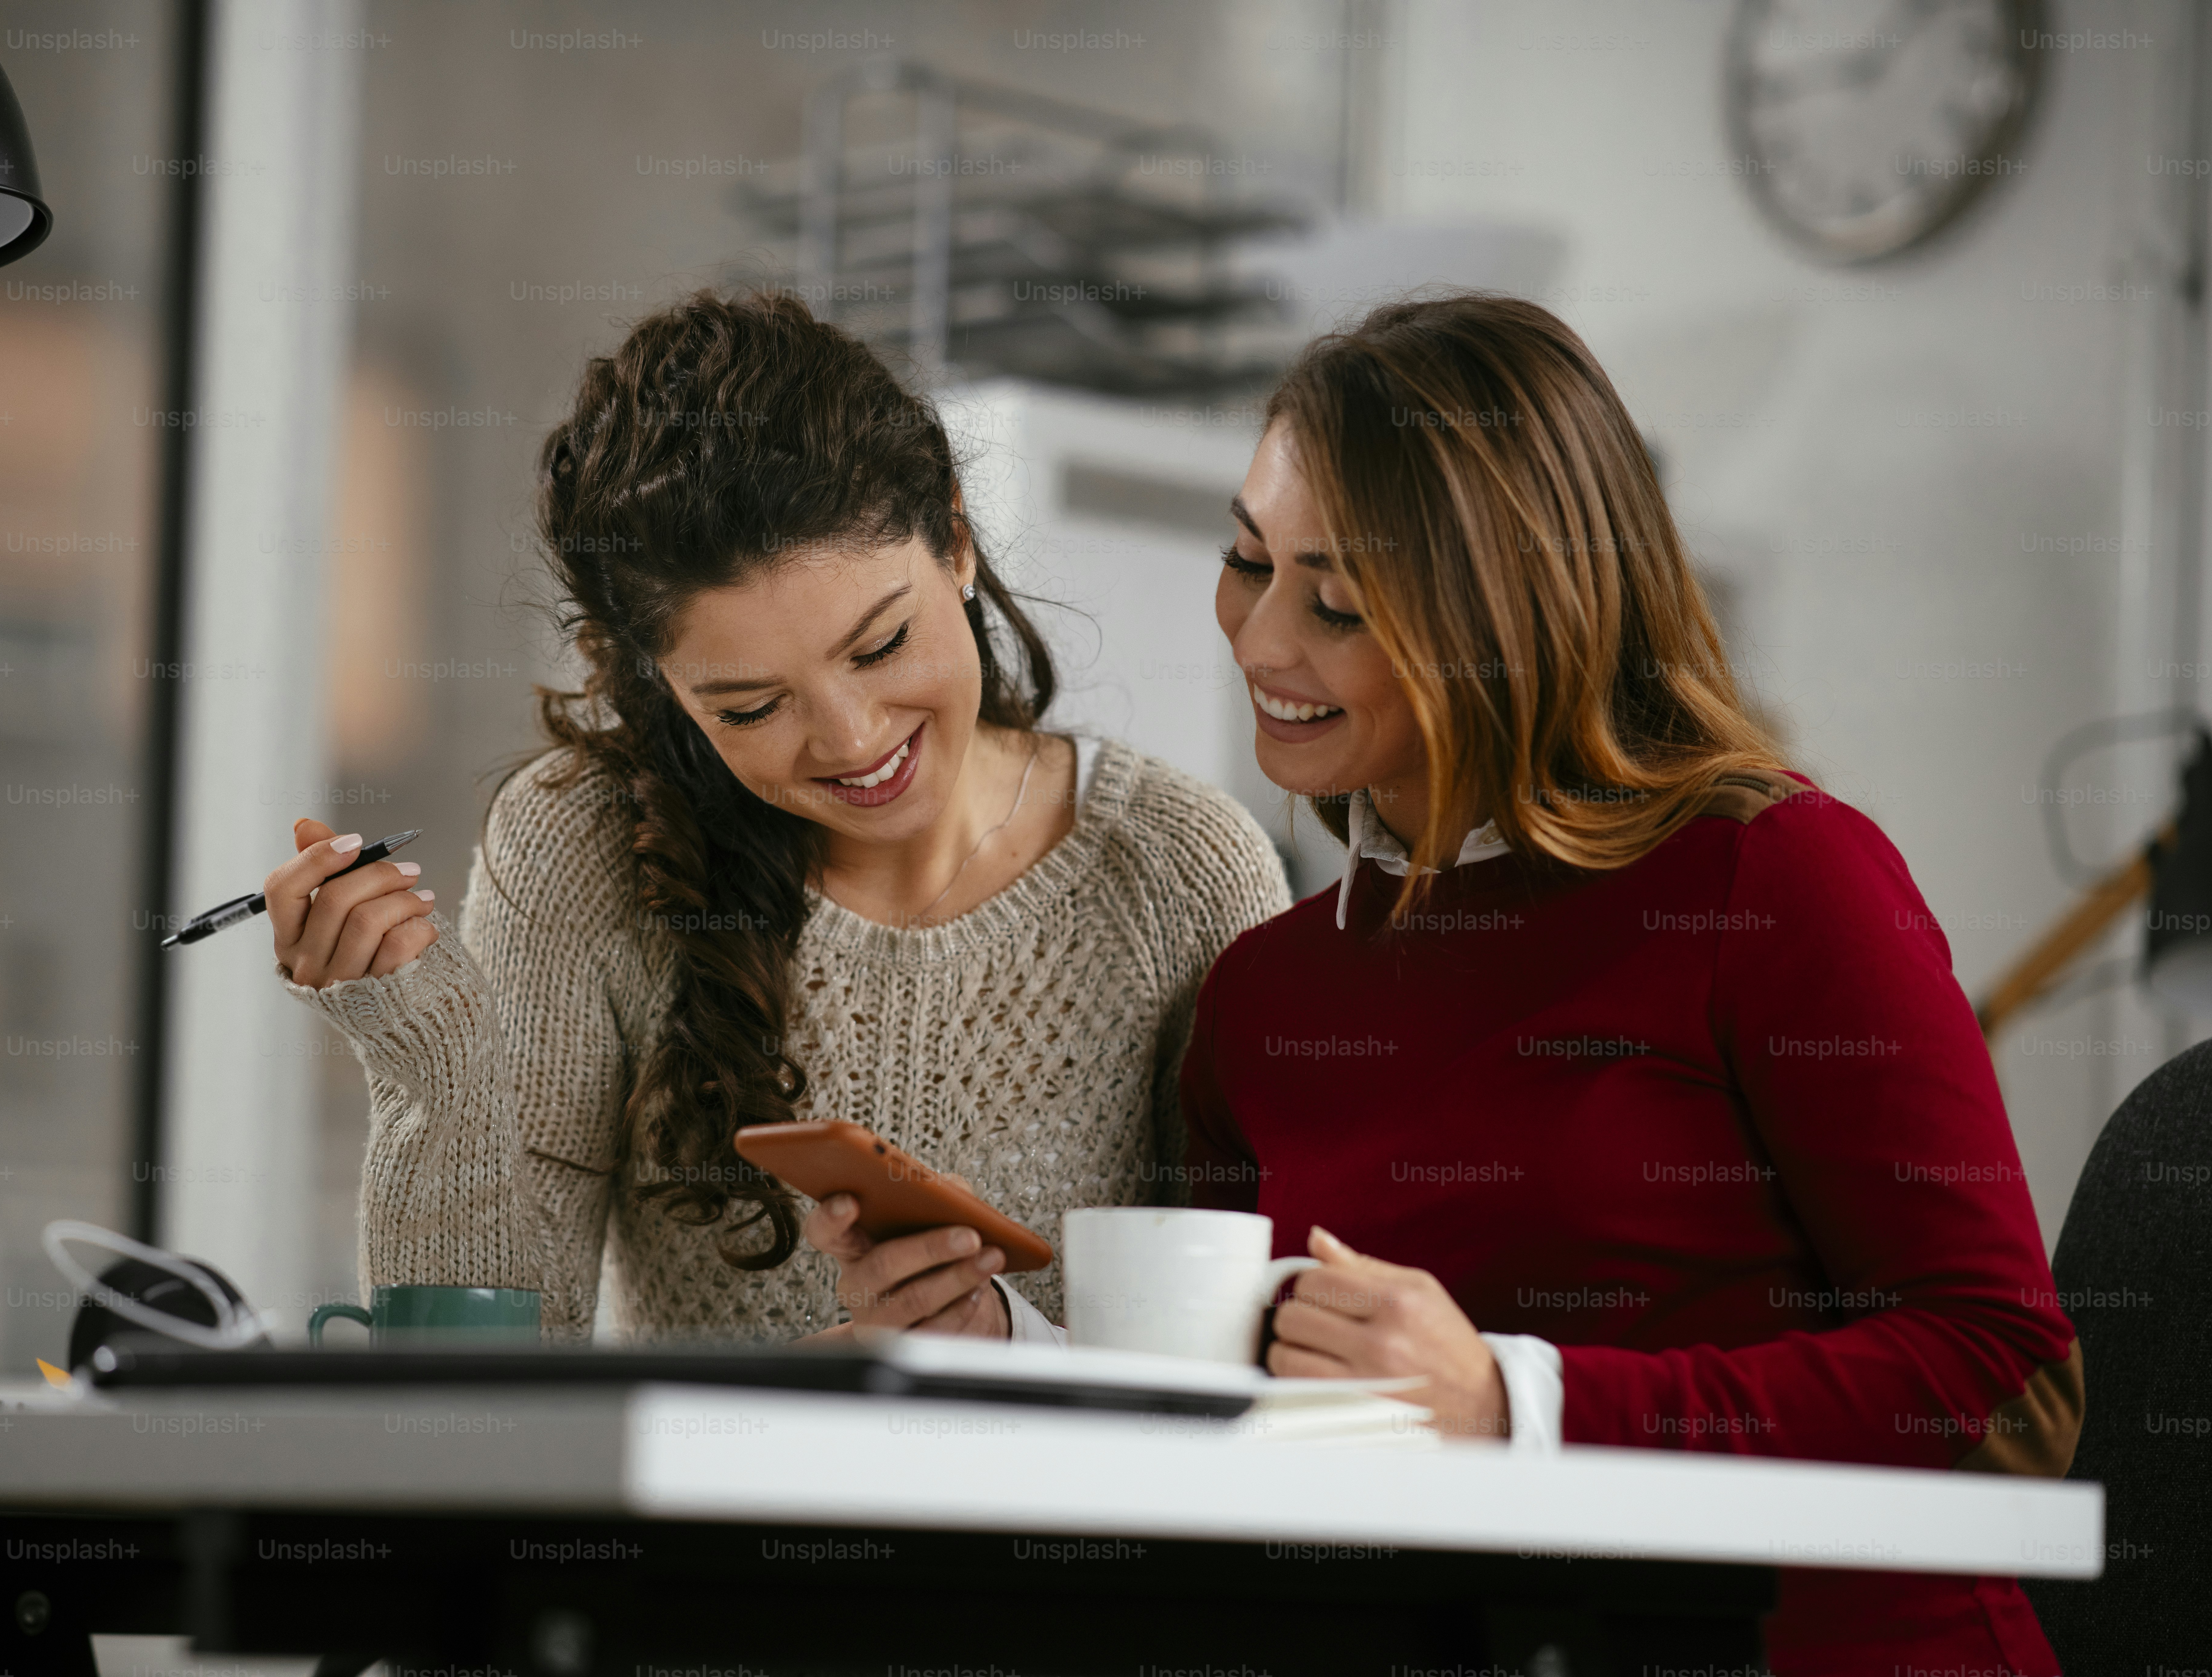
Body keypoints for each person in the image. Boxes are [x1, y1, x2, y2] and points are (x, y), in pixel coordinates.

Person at [1180, 293, 2079, 1677]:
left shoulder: (1770, 873)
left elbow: (2003, 1370)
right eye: (1249, 560)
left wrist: (1517, 1402)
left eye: (1339, 600)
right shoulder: (1261, 994)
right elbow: (1237, 1395)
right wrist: (1001, 1325)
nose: (1259, 639)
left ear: (1506, 613)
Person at [266, 289, 1289, 1344]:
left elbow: (1242, 1390)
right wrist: (432, 1056)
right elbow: (476, 1406)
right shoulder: (581, 845)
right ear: (662, 686)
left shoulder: (1179, 869)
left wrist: (1001, 1354)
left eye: (882, 646)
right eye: (750, 706)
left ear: (956, 544)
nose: (851, 740)